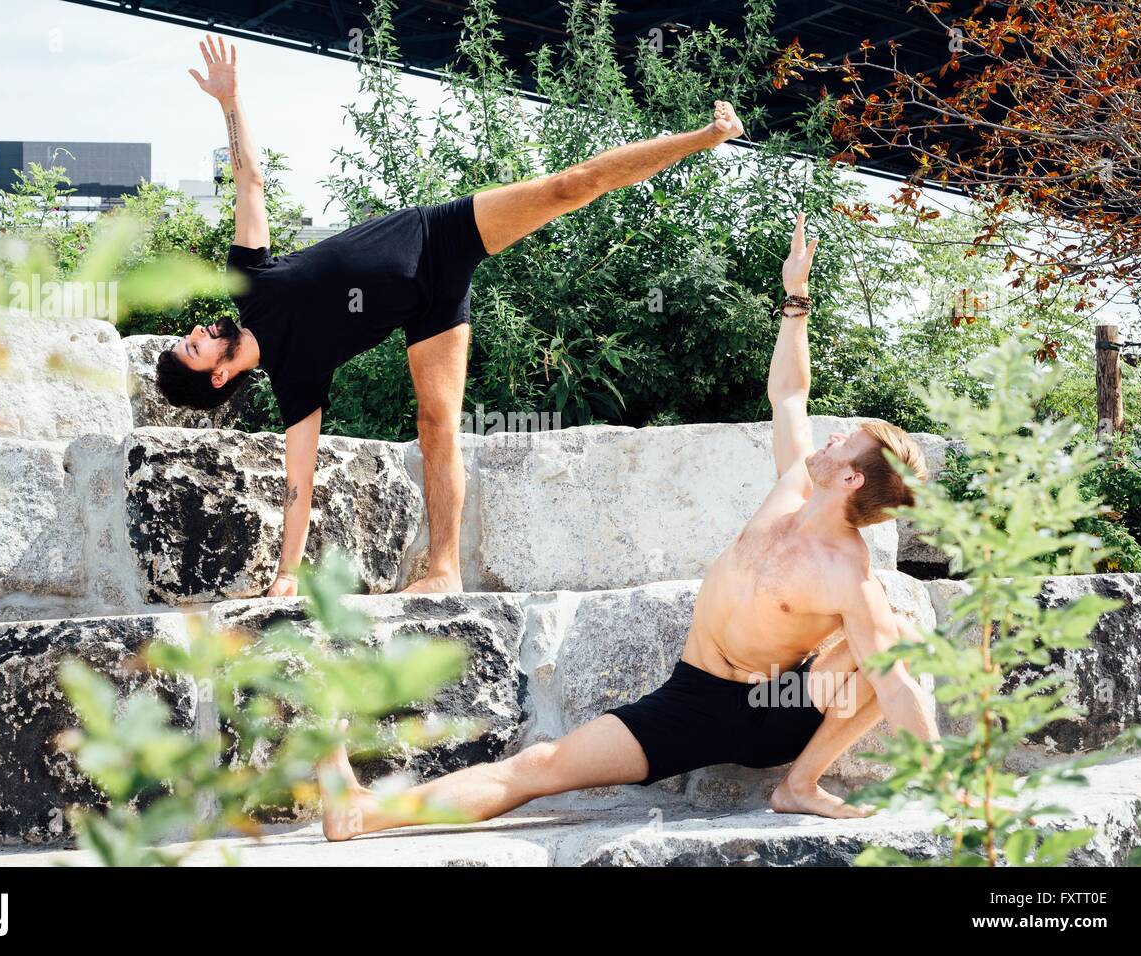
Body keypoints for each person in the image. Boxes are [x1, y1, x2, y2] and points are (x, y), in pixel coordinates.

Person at [315, 212, 939, 836]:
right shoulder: (794, 489)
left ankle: (800, 783)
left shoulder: (845, 573)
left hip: (776, 709)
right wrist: (796, 299)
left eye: (844, 444)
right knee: (543, 764)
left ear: (851, 480)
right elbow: (790, 396)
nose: (830, 438)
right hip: (695, 699)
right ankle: (364, 814)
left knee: (900, 636)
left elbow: (899, 685)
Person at [157, 34, 748, 596]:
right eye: (193, 347)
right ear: (217, 376)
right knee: (436, 424)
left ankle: (704, 137)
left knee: (570, 186)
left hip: (435, 235)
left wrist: (231, 101)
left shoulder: (248, 282)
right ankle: (444, 570)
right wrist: (288, 572)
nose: (198, 332)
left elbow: (249, 179)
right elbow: (297, 484)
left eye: (190, 336)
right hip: (430, 310)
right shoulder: (296, 383)